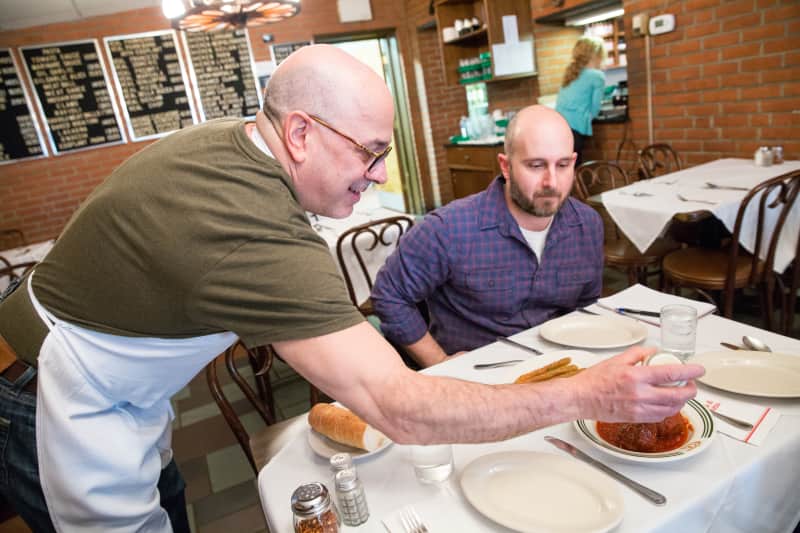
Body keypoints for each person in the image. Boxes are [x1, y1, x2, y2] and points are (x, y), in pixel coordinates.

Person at [0, 45, 703, 532]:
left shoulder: (241, 152)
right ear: (300, 132)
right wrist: (587, 394)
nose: (376, 176)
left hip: (119, 383)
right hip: (52, 392)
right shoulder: (250, 225)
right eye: (369, 152)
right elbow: (400, 408)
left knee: (169, 502)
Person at [370, 105, 603, 368]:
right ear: (506, 166)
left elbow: (586, 307)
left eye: (562, 165)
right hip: (477, 380)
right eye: (536, 165)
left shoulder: (587, 225)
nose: (552, 181)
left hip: (557, 369)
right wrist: (440, 361)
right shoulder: (447, 230)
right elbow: (389, 295)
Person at [555, 36, 606, 166]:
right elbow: (595, 110)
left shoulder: (570, 72)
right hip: (575, 130)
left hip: (558, 127)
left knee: (564, 170)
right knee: (575, 170)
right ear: (596, 56)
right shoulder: (597, 76)